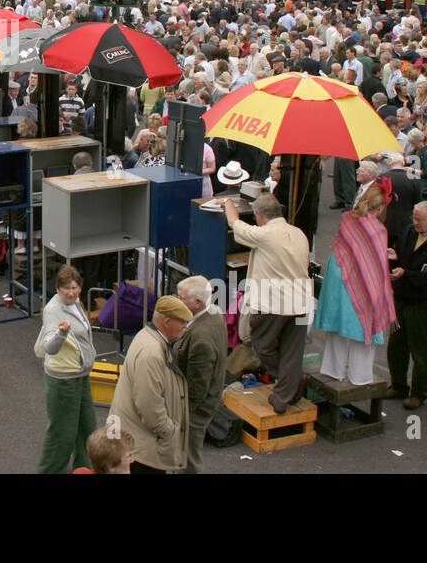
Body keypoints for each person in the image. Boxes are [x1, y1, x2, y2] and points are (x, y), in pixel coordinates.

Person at [221, 194, 312, 414]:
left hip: (273, 304)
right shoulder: (298, 233)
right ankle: (285, 392)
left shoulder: (265, 235)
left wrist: (226, 202)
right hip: (301, 301)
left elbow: (234, 223)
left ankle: (290, 382)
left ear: (259, 215)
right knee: (293, 350)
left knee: (261, 345)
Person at [316, 185, 395, 385]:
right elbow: (373, 261)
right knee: (364, 325)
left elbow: (353, 248)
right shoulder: (378, 229)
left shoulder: (347, 218)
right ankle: (360, 376)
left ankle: (333, 369)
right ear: (380, 209)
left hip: (339, 273)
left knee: (337, 325)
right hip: (363, 278)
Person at [106, 296, 193, 473]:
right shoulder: (151, 353)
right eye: (182, 322)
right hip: (143, 450)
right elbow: (148, 405)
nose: (185, 327)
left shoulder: (149, 338)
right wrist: (169, 432)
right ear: (167, 322)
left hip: (136, 442)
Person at [385, 200, 427, 409]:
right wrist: (396, 260)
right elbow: (403, 256)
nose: (415, 223)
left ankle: (419, 392)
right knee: (396, 345)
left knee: (419, 349)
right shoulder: (409, 232)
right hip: (401, 297)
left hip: (421, 302)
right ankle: (398, 385)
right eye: (414, 218)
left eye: (419, 220)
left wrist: (407, 274)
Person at [34, 265, 97, 474]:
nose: (71, 292)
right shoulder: (53, 310)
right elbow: (49, 347)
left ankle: (85, 468)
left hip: (80, 373)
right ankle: (49, 471)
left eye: (75, 287)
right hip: (63, 379)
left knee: (87, 426)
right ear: (58, 289)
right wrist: (61, 334)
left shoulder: (75, 302)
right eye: (66, 288)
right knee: (62, 433)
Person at [172, 275, 229, 474]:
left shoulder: (201, 338)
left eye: (182, 298)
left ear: (198, 302)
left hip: (195, 409)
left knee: (189, 460)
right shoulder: (214, 314)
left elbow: (198, 386)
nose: (178, 301)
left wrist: (184, 414)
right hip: (206, 401)